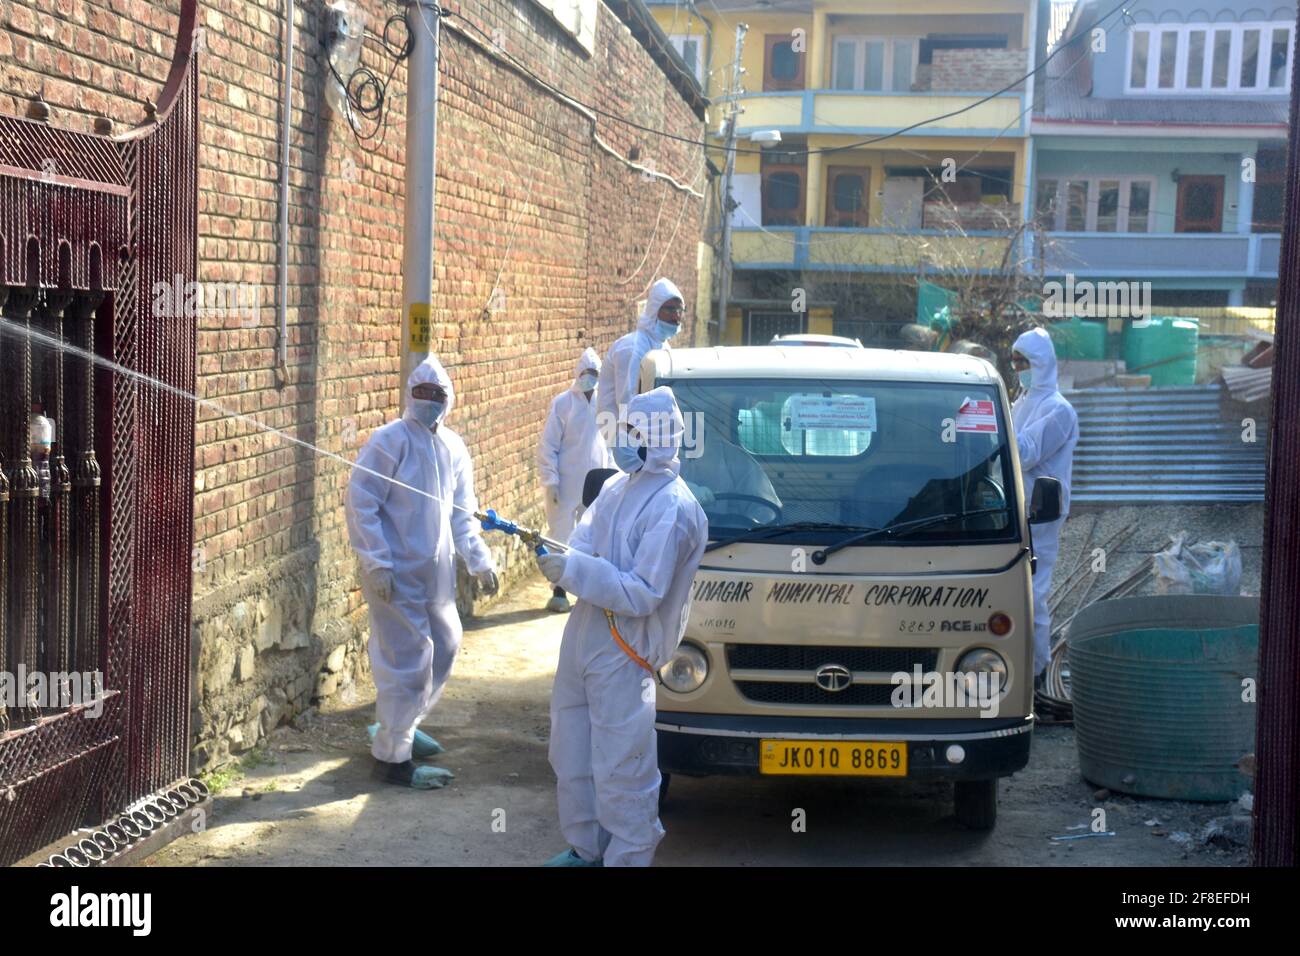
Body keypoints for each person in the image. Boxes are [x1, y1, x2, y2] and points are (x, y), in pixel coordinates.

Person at [535, 386, 708, 866]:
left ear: (659, 439)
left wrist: (573, 571)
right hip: (585, 632)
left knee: (621, 769)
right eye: (624, 430)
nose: (623, 441)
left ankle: (629, 856)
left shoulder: (674, 508)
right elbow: (585, 540)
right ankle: (586, 849)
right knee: (570, 752)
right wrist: (563, 556)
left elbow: (642, 593)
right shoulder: (615, 487)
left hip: (626, 650)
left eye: (634, 432)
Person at [345, 355, 500, 789]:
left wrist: (480, 559)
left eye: (438, 395)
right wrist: (376, 562)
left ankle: (401, 726)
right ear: (409, 395)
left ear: (449, 400)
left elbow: (463, 513)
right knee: (410, 664)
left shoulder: (453, 447)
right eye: (423, 393)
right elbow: (362, 502)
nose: (430, 401)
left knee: (447, 644)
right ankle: (392, 761)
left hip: (436, 579)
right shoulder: (388, 441)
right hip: (394, 575)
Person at [1009, 328, 1078, 686]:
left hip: (1041, 513)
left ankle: (1035, 673)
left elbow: (1023, 453)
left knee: (1032, 594)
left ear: (1042, 363)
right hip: (1012, 513)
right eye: (1015, 361)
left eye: (1025, 361)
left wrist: (988, 426)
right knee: (1009, 592)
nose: (1018, 367)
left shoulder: (1058, 410)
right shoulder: (1020, 403)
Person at [538, 347, 613, 612]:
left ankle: (584, 587)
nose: (589, 378)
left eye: (594, 374)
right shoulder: (563, 403)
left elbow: (611, 445)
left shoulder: (605, 404)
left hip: (595, 485)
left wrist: (613, 478)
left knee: (591, 535)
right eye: (585, 373)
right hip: (566, 484)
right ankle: (559, 590)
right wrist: (551, 481)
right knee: (560, 535)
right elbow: (549, 446)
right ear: (577, 374)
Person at [596, 277, 685, 452]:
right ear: (654, 309)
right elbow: (629, 404)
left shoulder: (662, 345)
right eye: (670, 309)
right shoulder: (632, 348)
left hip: (649, 443)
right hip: (624, 447)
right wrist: (644, 447)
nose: (677, 316)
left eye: (680, 310)